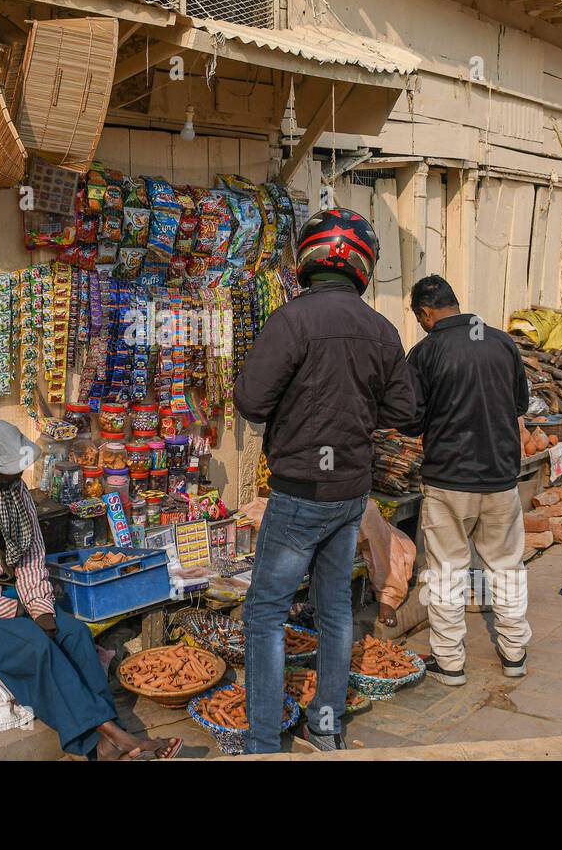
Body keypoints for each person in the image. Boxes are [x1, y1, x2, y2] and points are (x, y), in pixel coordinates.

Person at [233, 208, 418, 753]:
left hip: (300, 492)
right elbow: (405, 410)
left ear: (307, 260)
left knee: (265, 613)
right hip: (350, 495)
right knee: (335, 607)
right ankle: (327, 725)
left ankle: (264, 739)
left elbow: (249, 400)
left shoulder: (290, 320)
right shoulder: (380, 329)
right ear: (363, 266)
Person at [0, 418, 181, 761]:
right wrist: (17, 610)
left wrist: (39, 606)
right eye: (13, 469)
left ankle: (111, 734)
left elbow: (30, 554)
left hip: (7, 593)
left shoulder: (11, 491)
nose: (21, 475)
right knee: (35, 647)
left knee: (74, 634)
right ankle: (103, 742)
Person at [399, 275, 532, 686]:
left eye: (419, 318)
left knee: (446, 573)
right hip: (500, 478)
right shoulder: (502, 343)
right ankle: (514, 655)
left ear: (425, 313)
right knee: (506, 567)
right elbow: (520, 404)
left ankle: (450, 663)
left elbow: (409, 419)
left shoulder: (425, 352)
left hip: (447, 481)